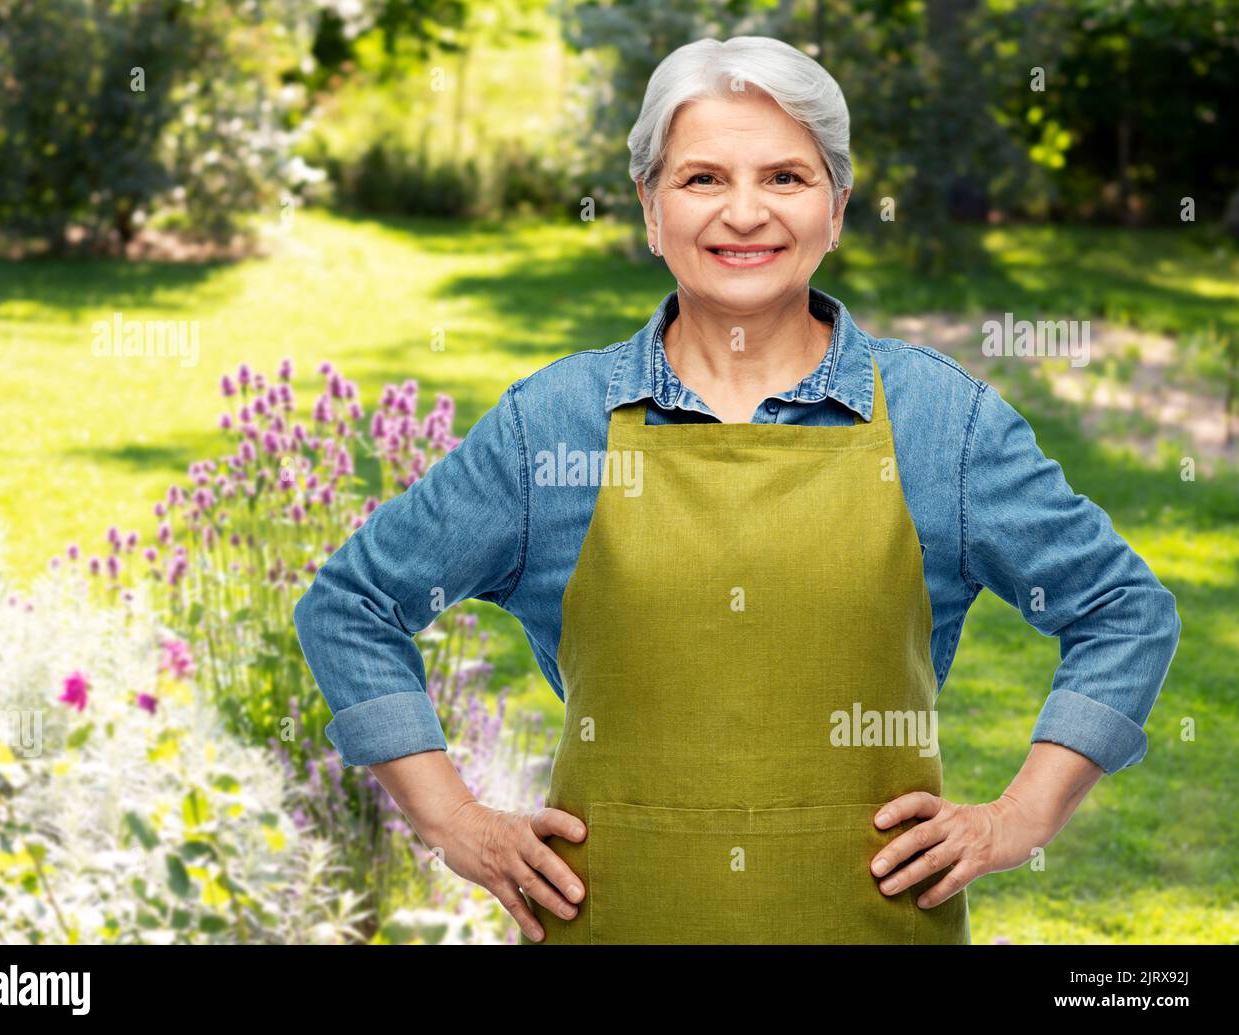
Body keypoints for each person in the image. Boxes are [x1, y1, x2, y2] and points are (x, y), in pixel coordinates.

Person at [293, 36, 1181, 944]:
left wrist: (1020, 817)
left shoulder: (938, 422)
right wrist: (453, 822)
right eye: (703, 179)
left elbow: (1123, 610)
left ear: (836, 209)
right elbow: (354, 602)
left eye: (787, 179)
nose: (745, 213)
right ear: (650, 208)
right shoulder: (553, 424)